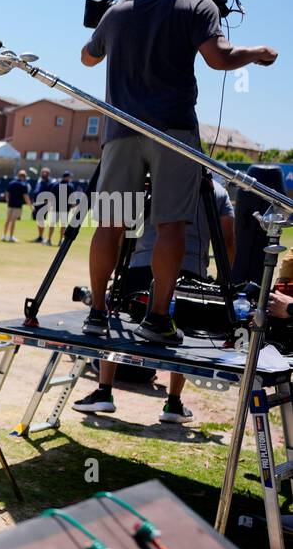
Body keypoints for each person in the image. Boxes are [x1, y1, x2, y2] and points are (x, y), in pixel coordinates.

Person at [80, 0, 278, 346]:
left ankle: (97, 312)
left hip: (121, 132)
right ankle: (157, 320)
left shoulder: (117, 12)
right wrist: (257, 52)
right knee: (170, 224)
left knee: (111, 223)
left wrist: (111, 30)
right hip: (174, 134)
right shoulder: (198, 6)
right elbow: (220, 59)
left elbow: (88, 57)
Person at [74, 175, 236, 423]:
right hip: (191, 273)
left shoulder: (154, 181)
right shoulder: (218, 192)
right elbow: (227, 242)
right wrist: (221, 283)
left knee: (116, 320)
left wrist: (121, 266)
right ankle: (174, 403)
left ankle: (104, 390)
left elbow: (122, 229)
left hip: (140, 265)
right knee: (182, 333)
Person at [1, 169, 31, 243]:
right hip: (17, 206)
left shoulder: (11, 183)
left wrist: (8, 201)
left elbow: (7, 193)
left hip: (10, 205)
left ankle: (4, 236)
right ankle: (11, 237)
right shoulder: (23, 185)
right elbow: (26, 196)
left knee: (8, 220)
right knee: (13, 221)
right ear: (24, 176)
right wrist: (30, 205)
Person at [30, 167, 56, 244]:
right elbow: (36, 191)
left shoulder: (51, 182)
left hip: (44, 204)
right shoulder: (40, 181)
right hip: (37, 204)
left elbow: (51, 194)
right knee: (39, 220)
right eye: (43, 172)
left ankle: (42, 237)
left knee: (42, 220)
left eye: (46, 173)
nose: (44, 174)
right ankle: (40, 236)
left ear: (48, 174)